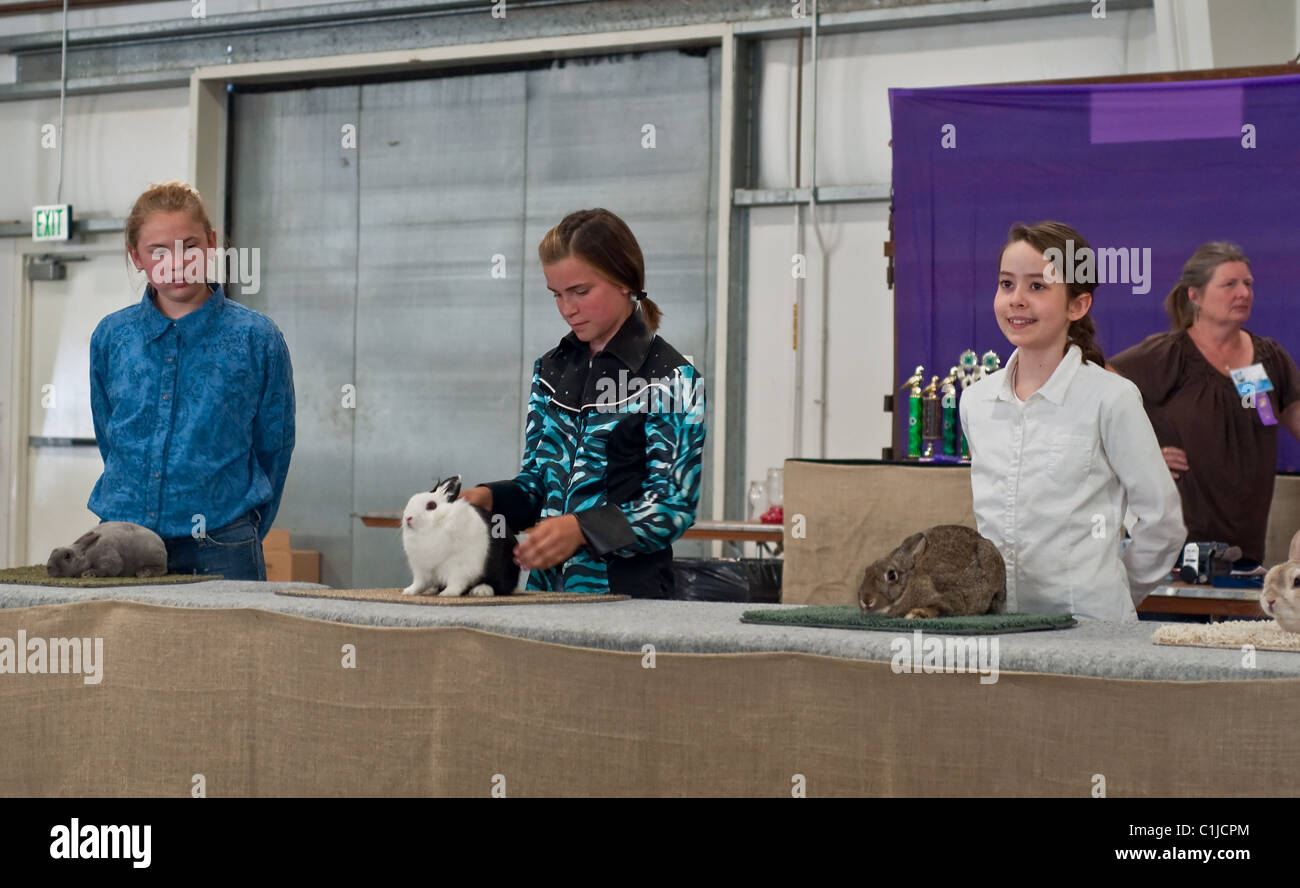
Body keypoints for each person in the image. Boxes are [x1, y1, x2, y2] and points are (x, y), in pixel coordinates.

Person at [461, 208, 707, 597]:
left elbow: (673, 506)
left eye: (580, 291)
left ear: (625, 281)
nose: (566, 308)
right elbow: (537, 483)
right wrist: (490, 498)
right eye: (556, 294)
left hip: (631, 601)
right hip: (545, 595)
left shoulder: (674, 378)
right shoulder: (550, 370)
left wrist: (580, 529)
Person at [959, 221, 1185, 620]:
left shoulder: (1111, 398)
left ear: (1077, 305)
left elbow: (1161, 521)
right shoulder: (976, 402)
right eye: (1007, 284)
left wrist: (1113, 594)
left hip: (1089, 631)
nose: (1016, 300)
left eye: (1037, 286)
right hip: (998, 627)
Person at [88, 182, 295, 581]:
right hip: (122, 542)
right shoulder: (112, 337)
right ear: (136, 257)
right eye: (158, 250)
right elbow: (110, 435)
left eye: (190, 245)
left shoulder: (256, 338)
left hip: (221, 542)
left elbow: (275, 446)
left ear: (212, 243)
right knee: (126, 646)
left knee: (225, 646)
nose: (176, 262)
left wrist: (244, 528)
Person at [1109, 242, 1300, 564]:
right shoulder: (1169, 355)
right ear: (1194, 296)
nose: (1244, 293)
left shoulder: (1266, 359)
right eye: (1229, 284)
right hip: (1175, 551)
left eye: (1248, 284)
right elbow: (1093, 390)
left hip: (1246, 550)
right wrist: (1135, 455)